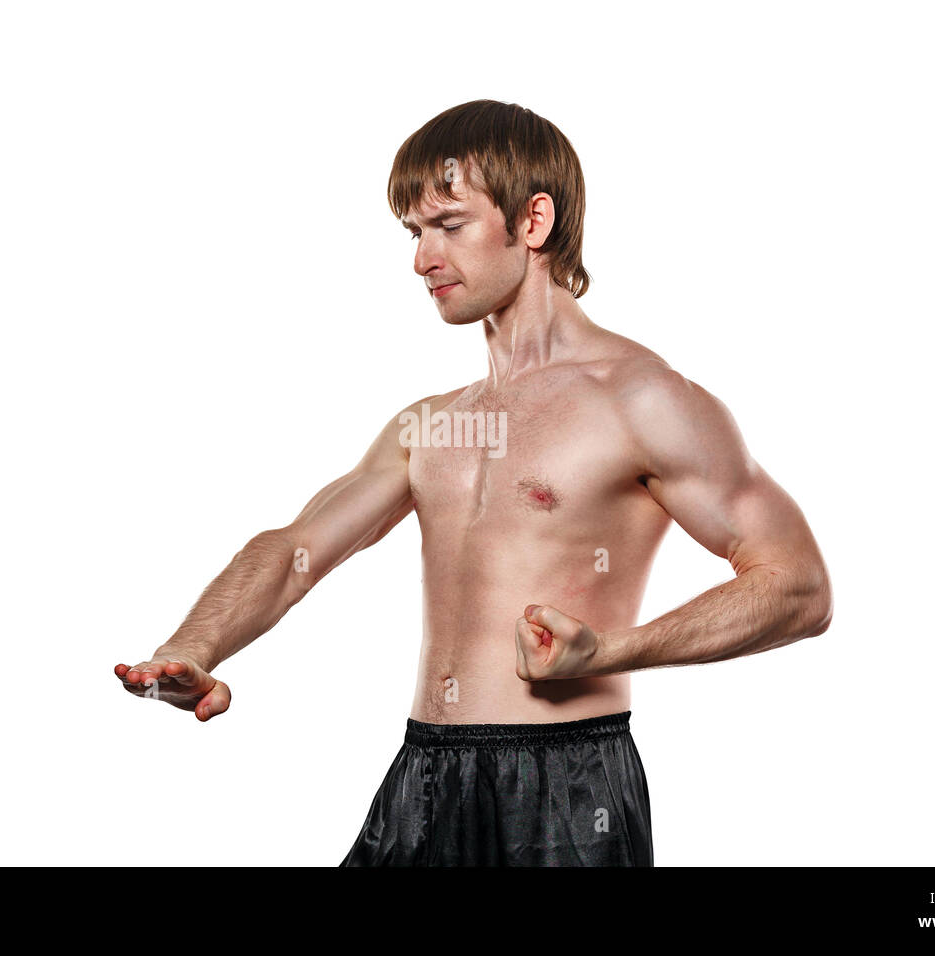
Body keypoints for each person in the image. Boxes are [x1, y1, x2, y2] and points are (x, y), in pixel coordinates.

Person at [115, 99, 833, 866]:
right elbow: (296, 551)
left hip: (567, 784)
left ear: (533, 221)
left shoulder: (641, 400)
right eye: (414, 233)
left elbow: (797, 585)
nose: (422, 259)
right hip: (423, 777)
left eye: (449, 226)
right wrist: (192, 648)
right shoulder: (429, 425)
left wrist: (610, 650)